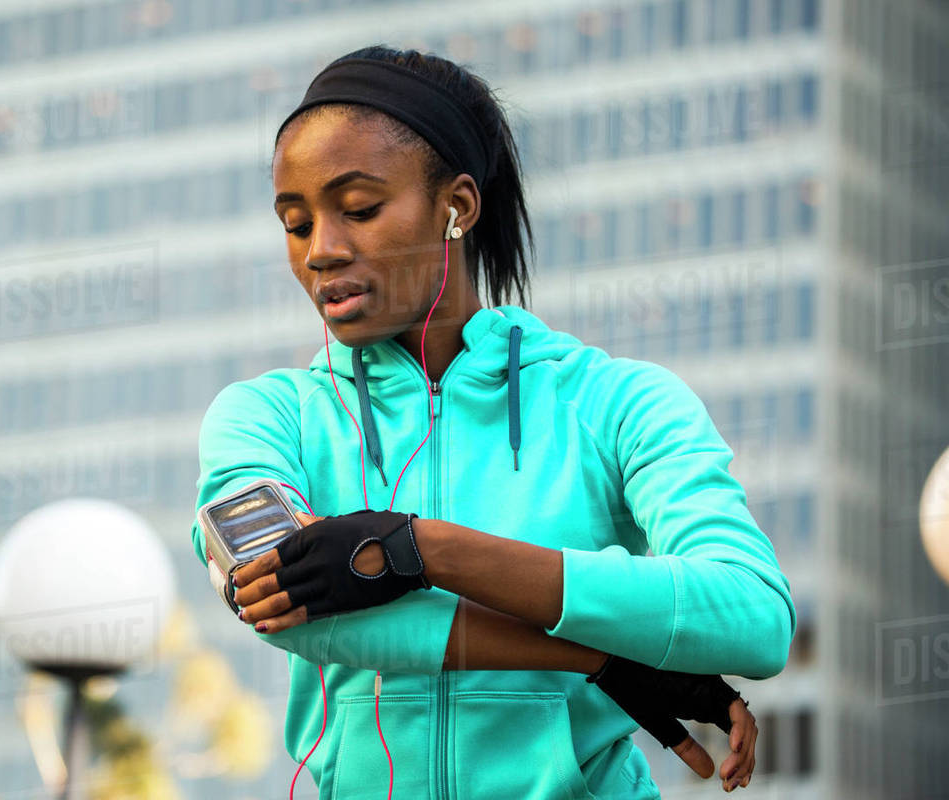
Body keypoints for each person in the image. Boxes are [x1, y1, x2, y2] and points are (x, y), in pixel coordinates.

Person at [190, 45, 795, 799]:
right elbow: (283, 606)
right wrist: (598, 657)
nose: (322, 250)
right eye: (294, 221)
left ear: (457, 207)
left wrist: (426, 550)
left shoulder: (618, 402)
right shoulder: (266, 417)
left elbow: (754, 614)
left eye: (359, 209)